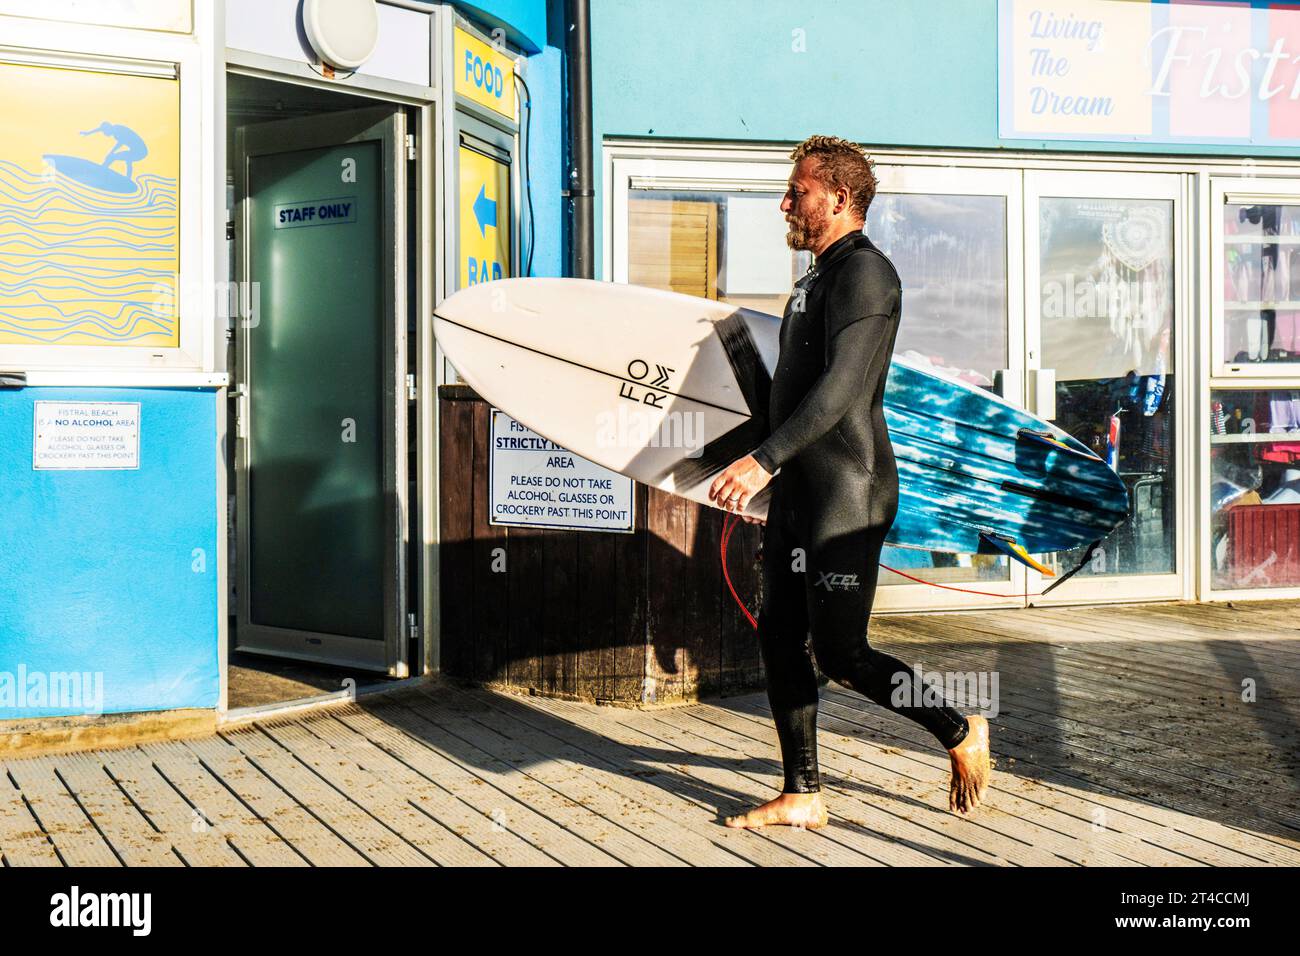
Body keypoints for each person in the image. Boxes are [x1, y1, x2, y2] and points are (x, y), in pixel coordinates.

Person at [708, 135, 991, 828]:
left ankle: (959, 729)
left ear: (837, 197)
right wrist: (757, 448)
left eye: (797, 190)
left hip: (849, 489)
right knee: (778, 633)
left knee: (841, 652)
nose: (786, 202)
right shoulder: (813, 281)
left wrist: (764, 460)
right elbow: (792, 394)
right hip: (801, 490)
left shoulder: (867, 274)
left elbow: (840, 391)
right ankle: (803, 790)